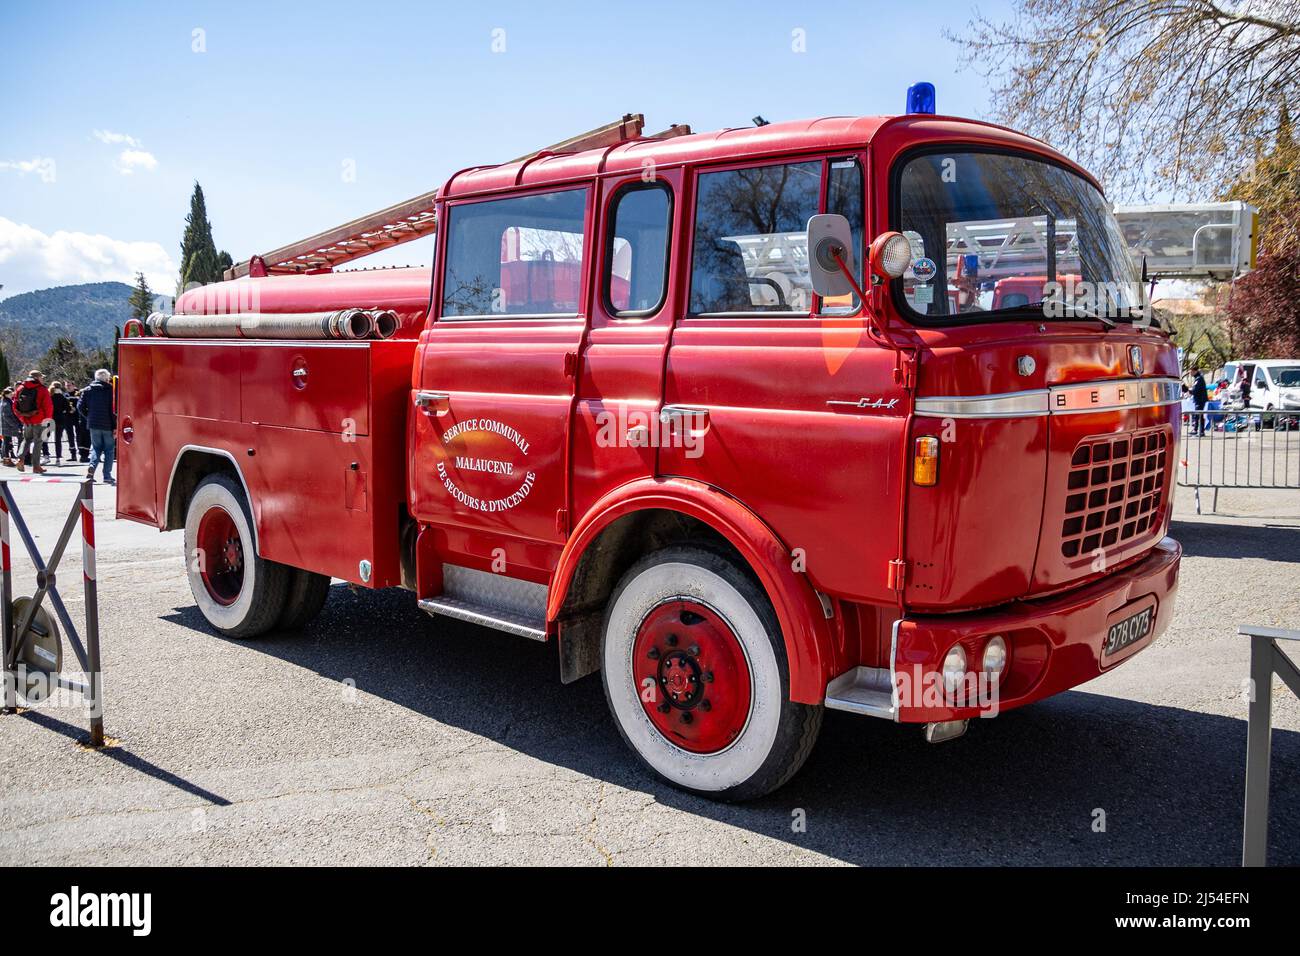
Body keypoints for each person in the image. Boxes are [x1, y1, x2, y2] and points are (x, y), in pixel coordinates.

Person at [78, 369, 116, 485]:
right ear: (106, 378)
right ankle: (107, 476)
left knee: (96, 448)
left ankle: (92, 467)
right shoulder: (110, 390)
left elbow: (80, 406)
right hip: (108, 424)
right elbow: (114, 409)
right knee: (109, 450)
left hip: (93, 424)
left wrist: (88, 417)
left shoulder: (88, 390)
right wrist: (115, 425)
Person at [12, 371, 53, 474]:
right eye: (41, 377)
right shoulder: (42, 389)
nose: (42, 379)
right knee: (38, 442)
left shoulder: (20, 388)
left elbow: (15, 406)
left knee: (26, 440)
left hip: (26, 420)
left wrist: (22, 417)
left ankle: (20, 459)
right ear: (36, 378)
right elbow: (48, 406)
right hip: (39, 420)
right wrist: (47, 419)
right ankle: (36, 466)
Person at [50, 380, 79, 464]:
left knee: (45, 437)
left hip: (50, 419)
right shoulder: (63, 397)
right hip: (61, 419)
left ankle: (45, 454)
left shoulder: (49, 397)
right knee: (60, 438)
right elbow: (69, 409)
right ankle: (58, 457)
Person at [0, 387, 20, 465]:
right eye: (11, 393)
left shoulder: (5, 401)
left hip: (6, 426)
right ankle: (6, 459)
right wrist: (14, 424)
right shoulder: (6, 403)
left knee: (7, 442)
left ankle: (7, 459)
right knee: (7, 443)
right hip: (7, 426)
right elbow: (7, 416)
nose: (12, 394)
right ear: (6, 394)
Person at [1191, 369, 1209, 435]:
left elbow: (1195, 390)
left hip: (1200, 400)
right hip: (1198, 400)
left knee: (1199, 415)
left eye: (1191, 371)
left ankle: (1201, 431)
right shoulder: (1197, 378)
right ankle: (1196, 429)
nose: (1190, 373)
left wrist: (1189, 390)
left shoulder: (1199, 379)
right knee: (1197, 415)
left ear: (1195, 371)